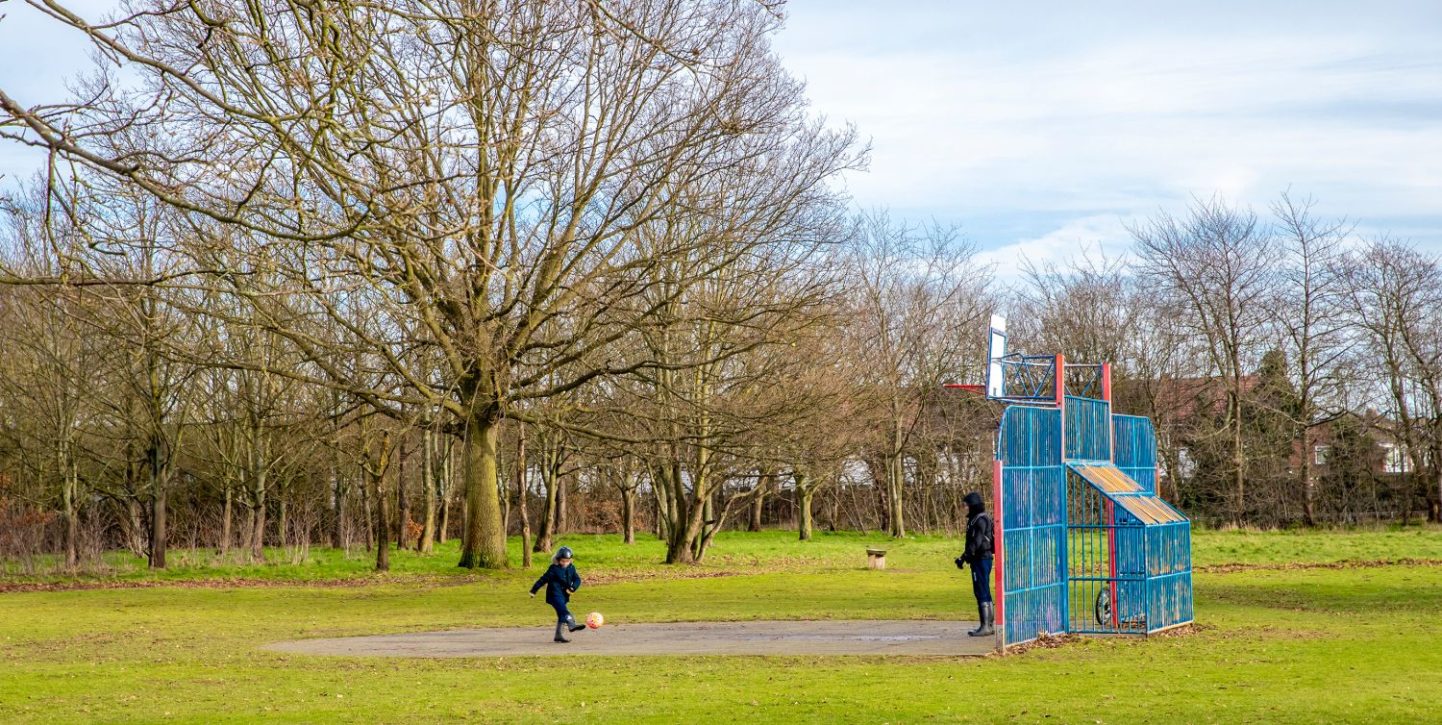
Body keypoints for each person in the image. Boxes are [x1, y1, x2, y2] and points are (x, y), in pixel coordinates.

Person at [954, 491, 995, 637]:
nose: (964, 508)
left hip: (981, 559)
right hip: (983, 558)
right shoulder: (979, 518)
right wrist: (963, 557)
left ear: (972, 505)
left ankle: (986, 626)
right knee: (984, 590)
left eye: (965, 505)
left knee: (981, 591)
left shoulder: (979, 520)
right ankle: (988, 624)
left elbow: (976, 542)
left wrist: (965, 557)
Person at [531, 546, 587, 643]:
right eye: (563, 561)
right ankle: (571, 624)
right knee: (563, 610)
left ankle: (558, 635)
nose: (565, 563)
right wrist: (534, 590)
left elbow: (577, 579)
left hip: (564, 595)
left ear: (570, 560)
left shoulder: (571, 568)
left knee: (561, 614)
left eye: (567, 561)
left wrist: (573, 588)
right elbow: (543, 579)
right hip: (554, 594)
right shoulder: (553, 569)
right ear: (558, 560)